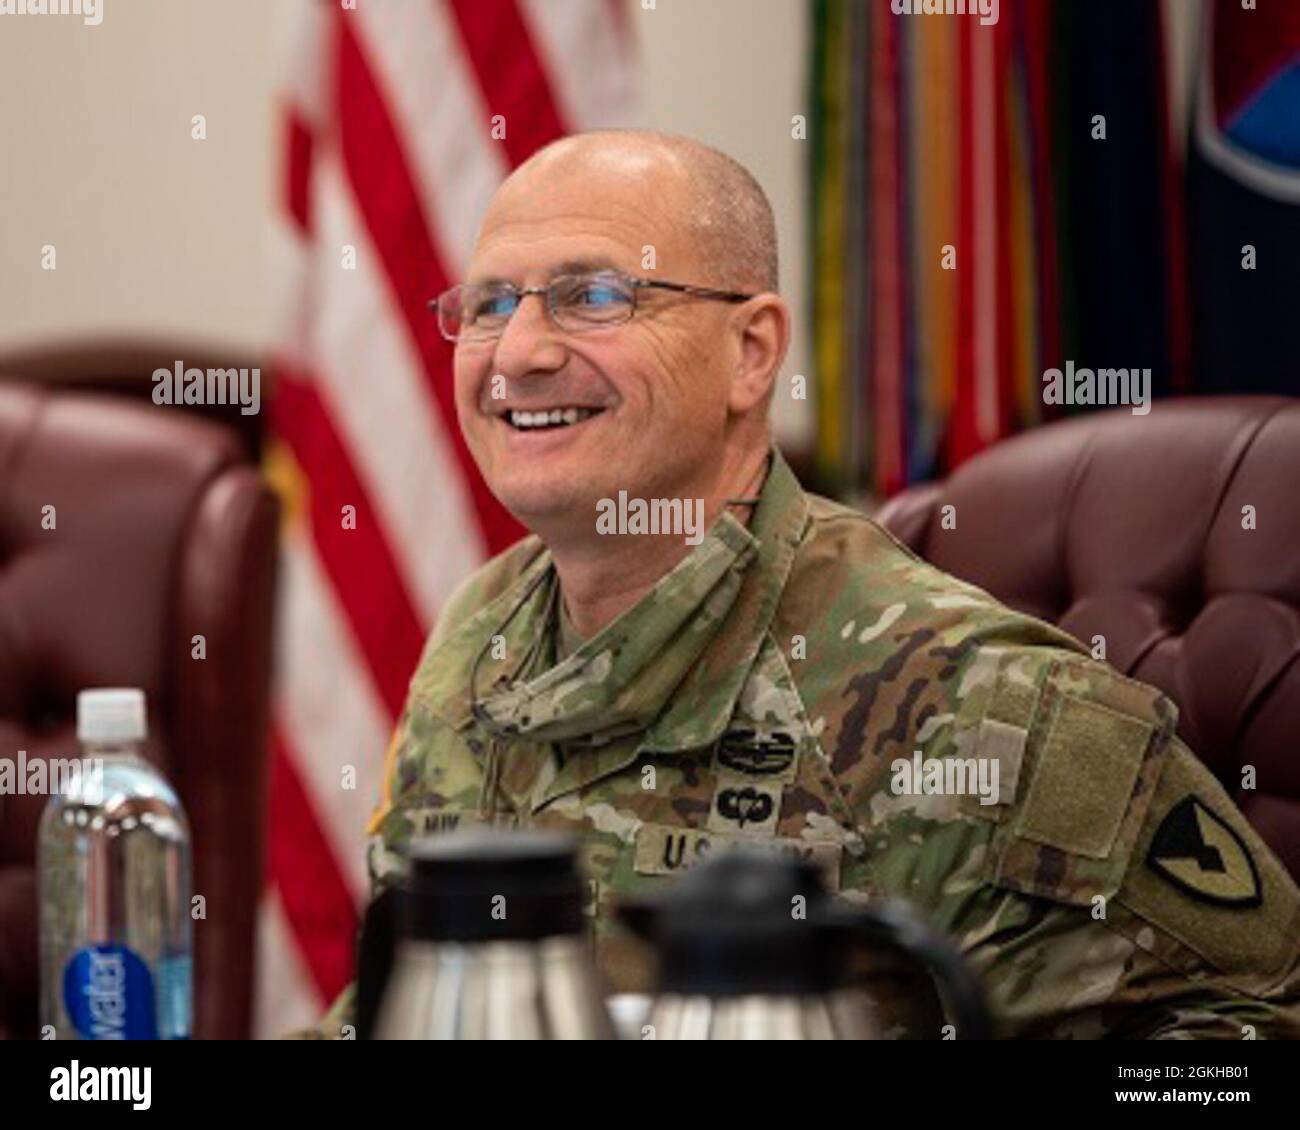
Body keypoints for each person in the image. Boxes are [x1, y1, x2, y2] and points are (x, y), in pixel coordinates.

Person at [304, 129, 1300, 1039]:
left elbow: (1258, 1022)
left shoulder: (986, 704)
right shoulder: (484, 633)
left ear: (751, 352)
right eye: (488, 304)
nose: (518, 353)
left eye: (594, 295)